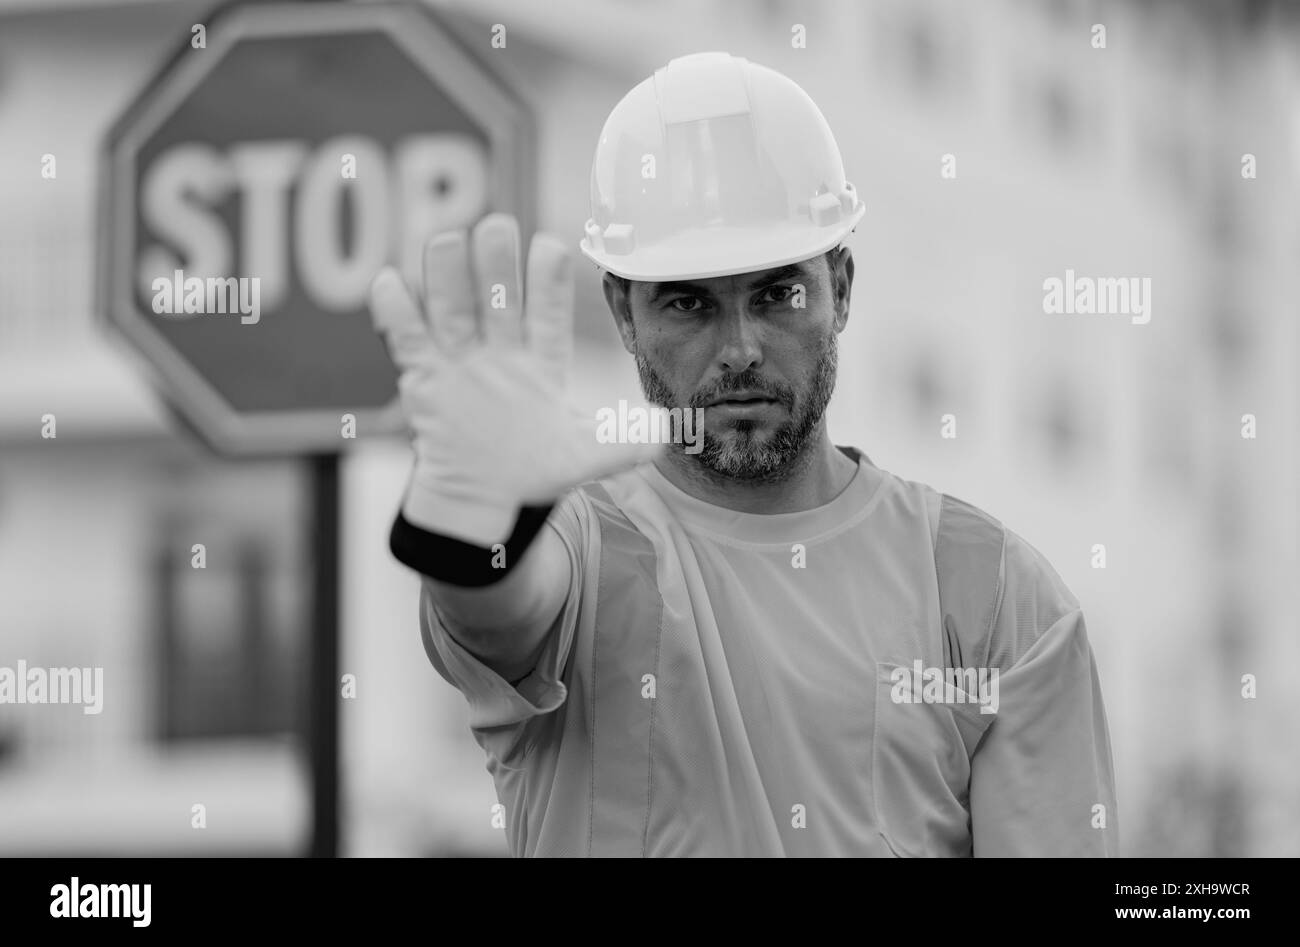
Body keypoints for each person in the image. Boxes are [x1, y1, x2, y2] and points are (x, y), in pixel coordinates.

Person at [368, 52, 1118, 857]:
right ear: (623, 312)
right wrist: (467, 528)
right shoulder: (575, 548)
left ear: (843, 287)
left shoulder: (995, 592)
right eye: (688, 302)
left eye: (776, 293)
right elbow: (499, 608)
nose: (738, 349)